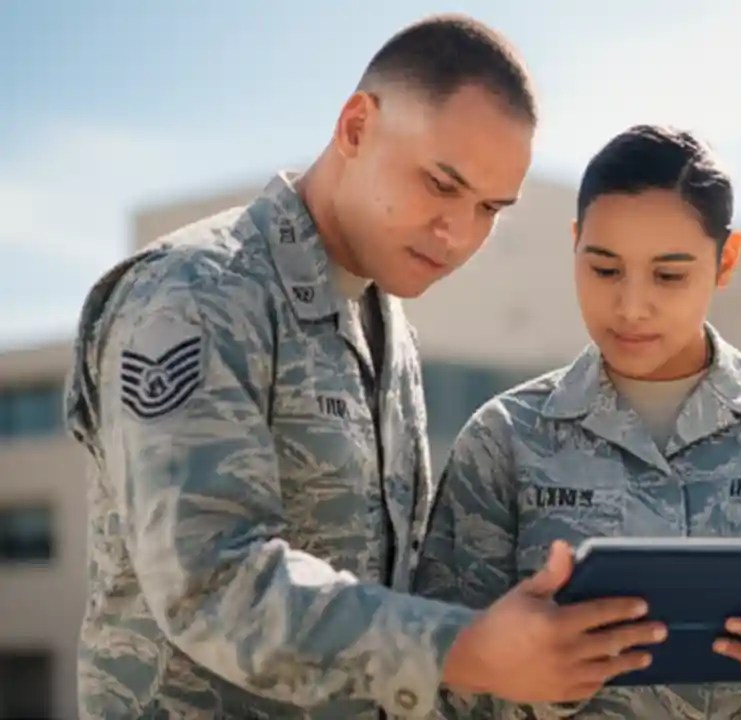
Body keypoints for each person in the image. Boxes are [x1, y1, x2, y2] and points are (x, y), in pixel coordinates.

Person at [62, 15, 663, 720]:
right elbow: (211, 584)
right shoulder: (195, 294)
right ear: (355, 128)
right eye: (442, 184)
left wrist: (542, 653)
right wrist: (468, 645)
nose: (460, 234)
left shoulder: (385, 326)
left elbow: (387, 617)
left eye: (489, 209)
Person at [418, 124, 741, 719]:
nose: (632, 305)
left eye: (669, 275)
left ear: (726, 261)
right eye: (605, 269)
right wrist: (534, 673)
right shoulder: (504, 438)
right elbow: (436, 682)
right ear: (574, 244)